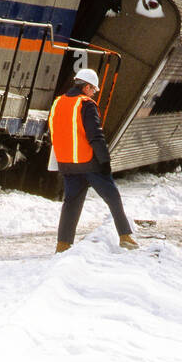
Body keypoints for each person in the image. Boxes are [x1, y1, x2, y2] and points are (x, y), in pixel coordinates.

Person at [50, 68, 138, 252]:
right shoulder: (86, 104)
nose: (94, 93)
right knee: (112, 196)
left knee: (71, 202)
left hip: (67, 162)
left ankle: (63, 245)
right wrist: (105, 162)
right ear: (87, 87)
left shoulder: (58, 102)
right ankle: (125, 236)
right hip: (88, 161)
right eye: (94, 90)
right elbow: (95, 136)